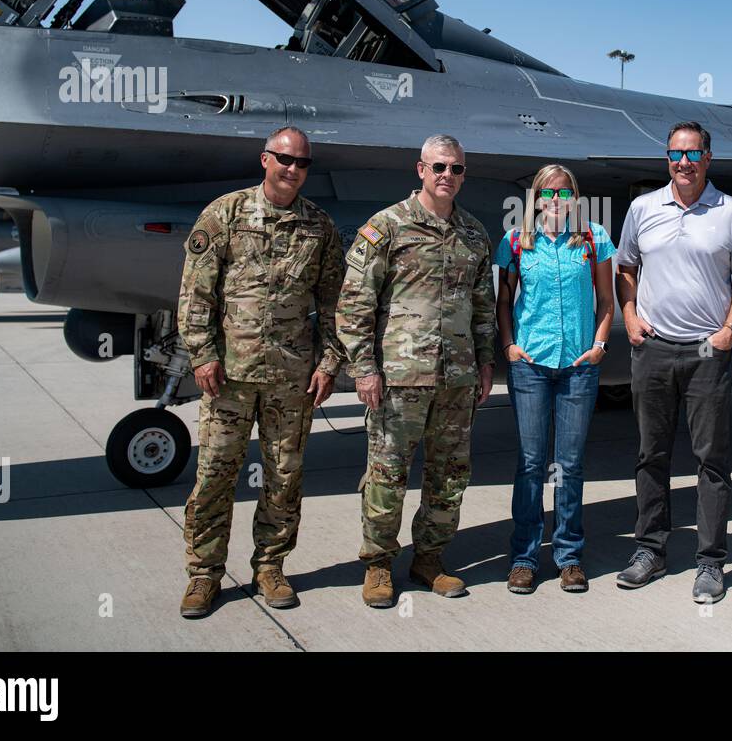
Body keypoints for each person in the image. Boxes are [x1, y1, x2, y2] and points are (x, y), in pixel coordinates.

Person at [177, 126, 343, 618]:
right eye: (285, 159)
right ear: (265, 159)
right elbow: (195, 293)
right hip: (228, 376)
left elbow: (335, 303)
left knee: (284, 477)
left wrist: (331, 362)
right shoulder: (225, 214)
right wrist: (203, 354)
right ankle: (204, 574)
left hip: (292, 380)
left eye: (302, 163)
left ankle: (270, 566)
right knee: (214, 475)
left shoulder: (319, 227)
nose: (293, 169)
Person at [338, 134, 496, 608]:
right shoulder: (386, 227)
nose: (448, 175)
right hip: (399, 378)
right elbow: (354, 304)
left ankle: (430, 560)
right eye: (439, 167)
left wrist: (486, 363)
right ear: (420, 170)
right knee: (387, 474)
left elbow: (483, 307)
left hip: (457, 380)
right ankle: (379, 565)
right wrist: (364, 370)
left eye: (457, 169)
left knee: (450, 475)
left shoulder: (473, 234)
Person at [613, 121, 732, 604]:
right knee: (650, 456)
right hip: (652, 348)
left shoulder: (731, 212)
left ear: (708, 159)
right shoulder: (642, 208)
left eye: (693, 154)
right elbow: (627, 268)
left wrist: (729, 333)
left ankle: (711, 562)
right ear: (667, 159)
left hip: (706, 352)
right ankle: (650, 550)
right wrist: (630, 317)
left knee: (711, 461)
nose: (683, 163)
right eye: (676, 154)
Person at [496, 165, 614, 595]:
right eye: (549, 194)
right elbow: (504, 300)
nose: (557, 202)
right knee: (530, 463)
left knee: (569, 464)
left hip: (579, 366)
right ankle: (525, 557)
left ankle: (568, 555)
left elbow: (606, 299)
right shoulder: (515, 241)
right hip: (530, 364)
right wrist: (509, 345)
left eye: (565, 194)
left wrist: (600, 345)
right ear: (536, 198)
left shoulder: (594, 239)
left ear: (575, 198)